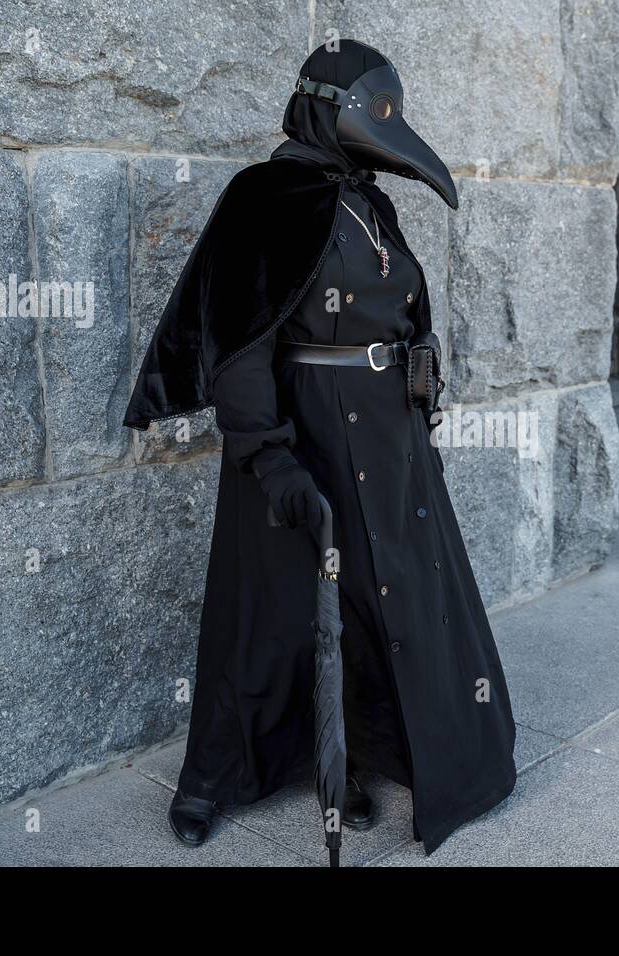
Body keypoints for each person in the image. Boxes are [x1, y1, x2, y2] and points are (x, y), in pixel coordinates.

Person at [123, 39, 517, 855]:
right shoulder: (263, 197)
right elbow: (237, 342)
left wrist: (421, 397)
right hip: (301, 432)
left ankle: (360, 750)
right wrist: (267, 454)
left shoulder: (372, 203)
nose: (387, 129)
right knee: (266, 610)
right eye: (374, 112)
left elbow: (405, 315)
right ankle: (212, 777)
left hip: (390, 434)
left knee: (387, 600)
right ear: (325, 107)